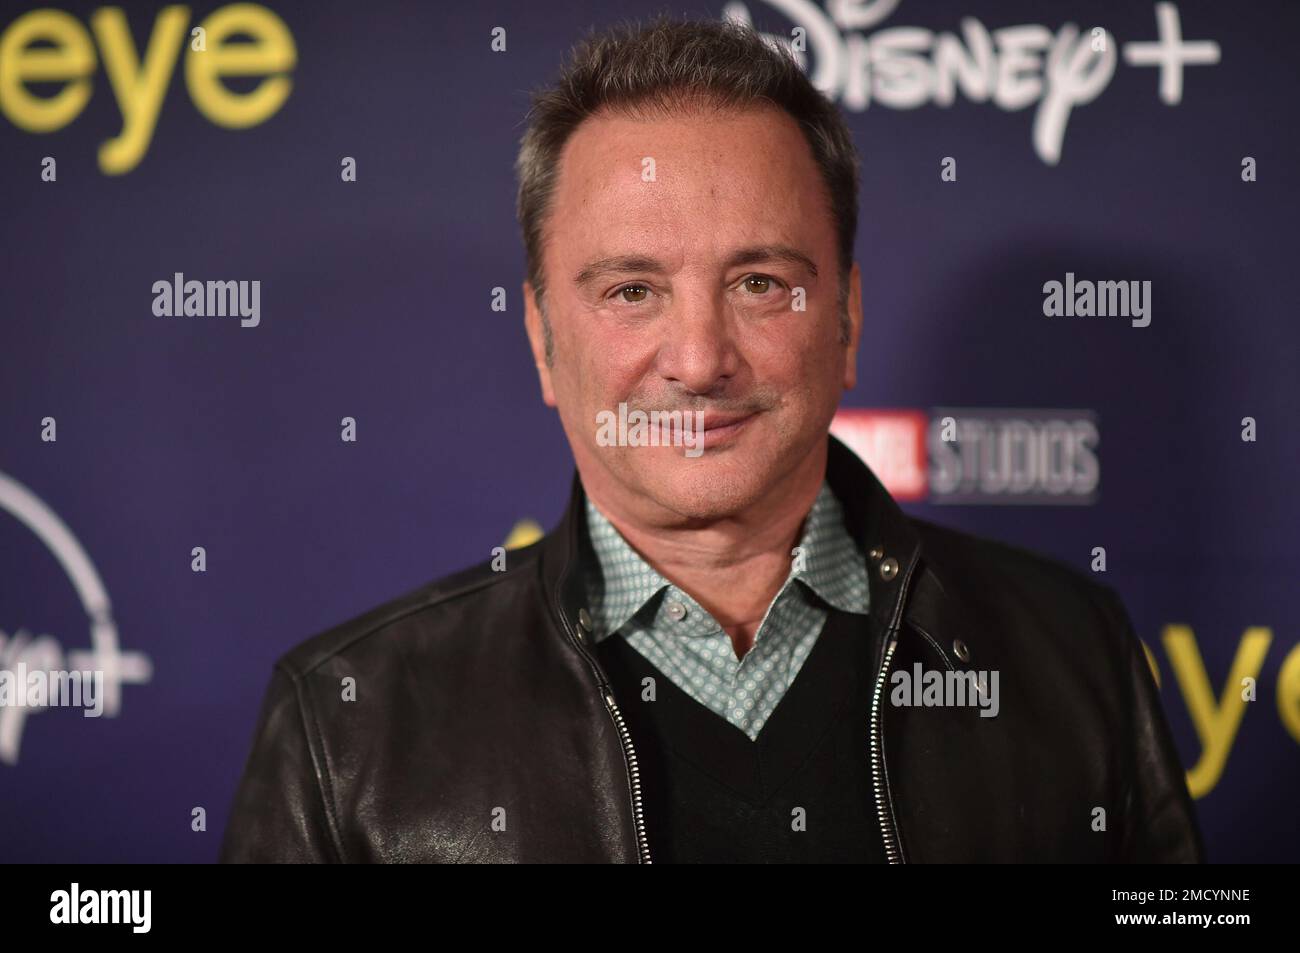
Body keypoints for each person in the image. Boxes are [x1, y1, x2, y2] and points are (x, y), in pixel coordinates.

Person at [219, 15, 1203, 863]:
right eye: (631, 290)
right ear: (542, 341)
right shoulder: (345, 718)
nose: (698, 357)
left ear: (847, 320)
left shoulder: (1070, 650)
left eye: (759, 282)